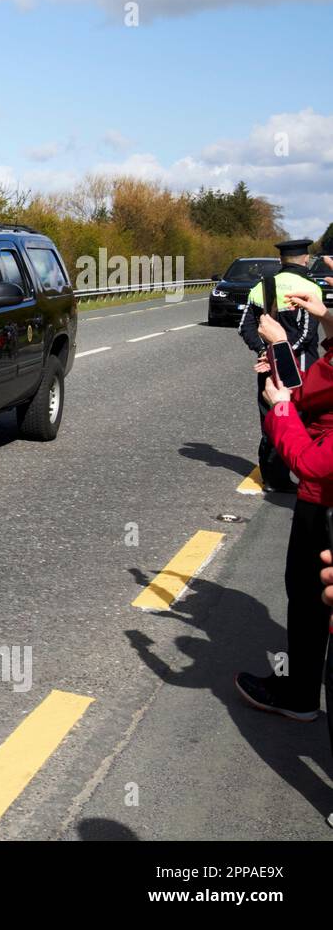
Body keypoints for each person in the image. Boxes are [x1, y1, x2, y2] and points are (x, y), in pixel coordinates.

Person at [235, 282, 333, 723]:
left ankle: (299, 696)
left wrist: (279, 408)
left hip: (324, 502)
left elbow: (313, 462)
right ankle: (300, 689)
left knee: (310, 598)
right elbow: (308, 390)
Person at [239, 238, 324, 491]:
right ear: (306, 259)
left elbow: (246, 327)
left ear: (280, 260)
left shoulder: (261, 286)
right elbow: (307, 333)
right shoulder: (309, 288)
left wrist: (266, 352)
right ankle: (309, 473)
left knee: (273, 417)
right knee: (303, 420)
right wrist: (281, 351)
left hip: (269, 366)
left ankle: (274, 479)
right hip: (302, 367)